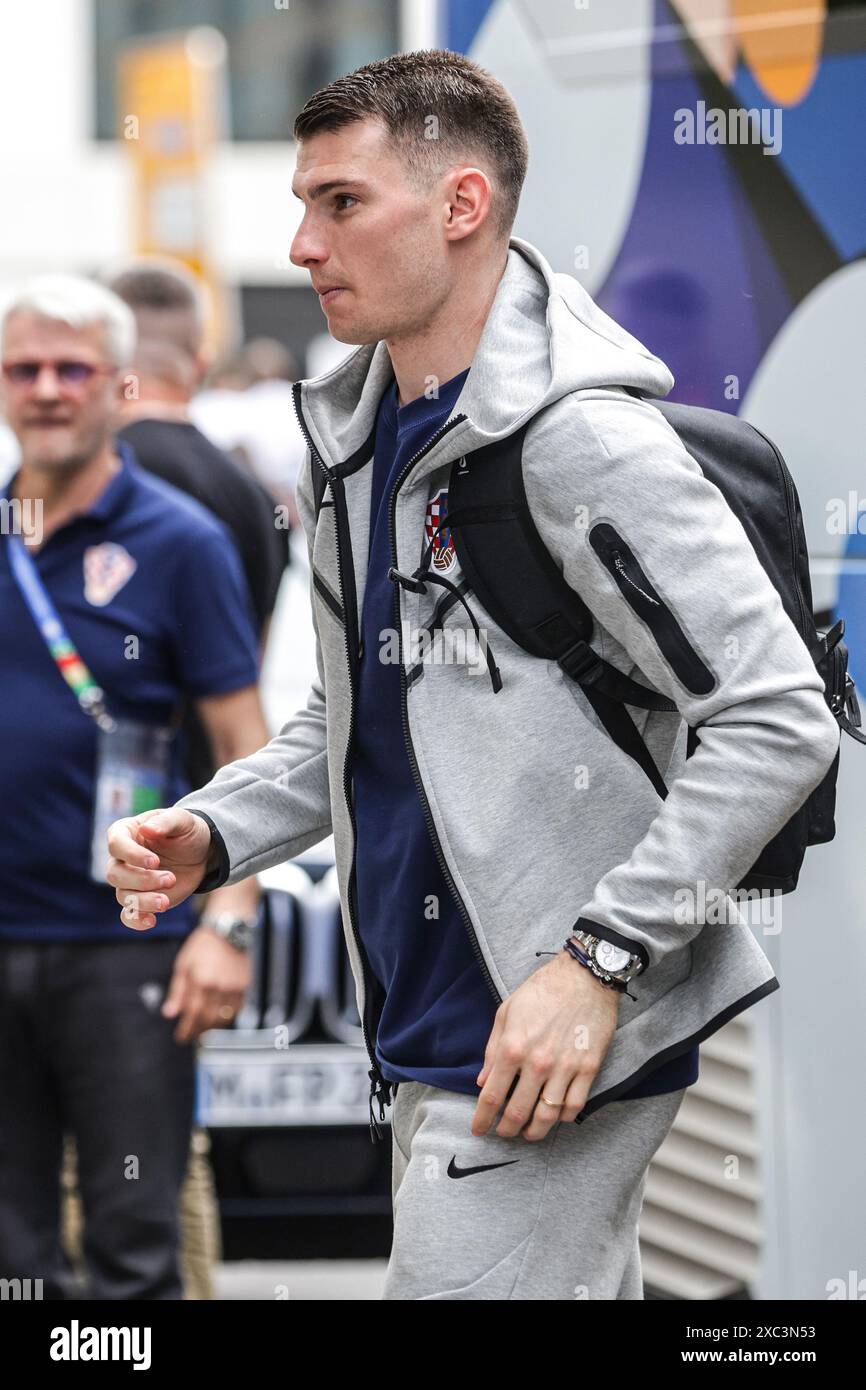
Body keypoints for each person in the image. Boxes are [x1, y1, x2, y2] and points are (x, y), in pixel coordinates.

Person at [106, 50, 840, 1300]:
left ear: (459, 206)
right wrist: (215, 829)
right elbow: (349, 718)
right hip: (435, 1030)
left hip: (546, 1033)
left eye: (340, 202)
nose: (300, 243)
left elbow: (776, 717)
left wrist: (596, 964)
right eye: (302, 202)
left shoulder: (577, 439)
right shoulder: (356, 435)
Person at [0, 274, 267, 1299]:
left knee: (133, 1245)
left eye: (73, 368)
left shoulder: (179, 544)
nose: (49, 389)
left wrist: (228, 927)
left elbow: (243, 747)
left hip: (128, 952)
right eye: (26, 368)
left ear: (118, 386)